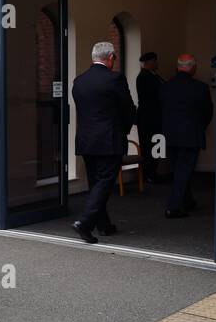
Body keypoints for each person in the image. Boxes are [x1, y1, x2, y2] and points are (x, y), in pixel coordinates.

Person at [69, 41, 135, 243]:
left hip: (87, 139)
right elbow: (128, 109)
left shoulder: (79, 81)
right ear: (111, 57)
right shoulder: (115, 79)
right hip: (109, 139)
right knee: (105, 182)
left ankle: (103, 225)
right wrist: (123, 129)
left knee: (96, 183)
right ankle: (85, 222)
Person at [159, 54, 213, 219]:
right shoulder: (200, 87)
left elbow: (160, 109)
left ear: (178, 67)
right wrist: (198, 128)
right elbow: (207, 113)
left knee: (178, 170)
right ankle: (173, 207)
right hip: (191, 136)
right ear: (193, 68)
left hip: (171, 135)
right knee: (184, 171)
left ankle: (187, 200)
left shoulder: (166, 86)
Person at [134, 51, 163, 182]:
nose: (156, 63)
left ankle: (153, 171)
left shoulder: (153, 76)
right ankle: (149, 173)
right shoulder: (144, 77)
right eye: (154, 61)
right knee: (149, 146)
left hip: (154, 117)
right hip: (148, 117)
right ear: (148, 63)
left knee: (157, 144)